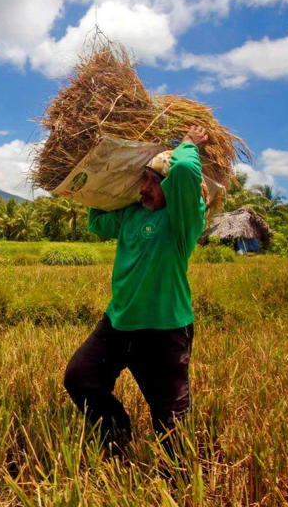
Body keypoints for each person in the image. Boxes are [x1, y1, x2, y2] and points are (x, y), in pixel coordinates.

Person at [63, 125, 209, 455]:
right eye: (142, 180)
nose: (145, 188)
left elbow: (185, 170)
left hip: (164, 331)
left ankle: (180, 484)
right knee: (80, 378)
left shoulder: (182, 221)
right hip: (117, 325)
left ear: (173, 190)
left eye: (155, 182)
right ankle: (117, 432)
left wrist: (187, 144)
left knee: (171, 424)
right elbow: (96, 220)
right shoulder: (131, 215)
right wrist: (102, 179)